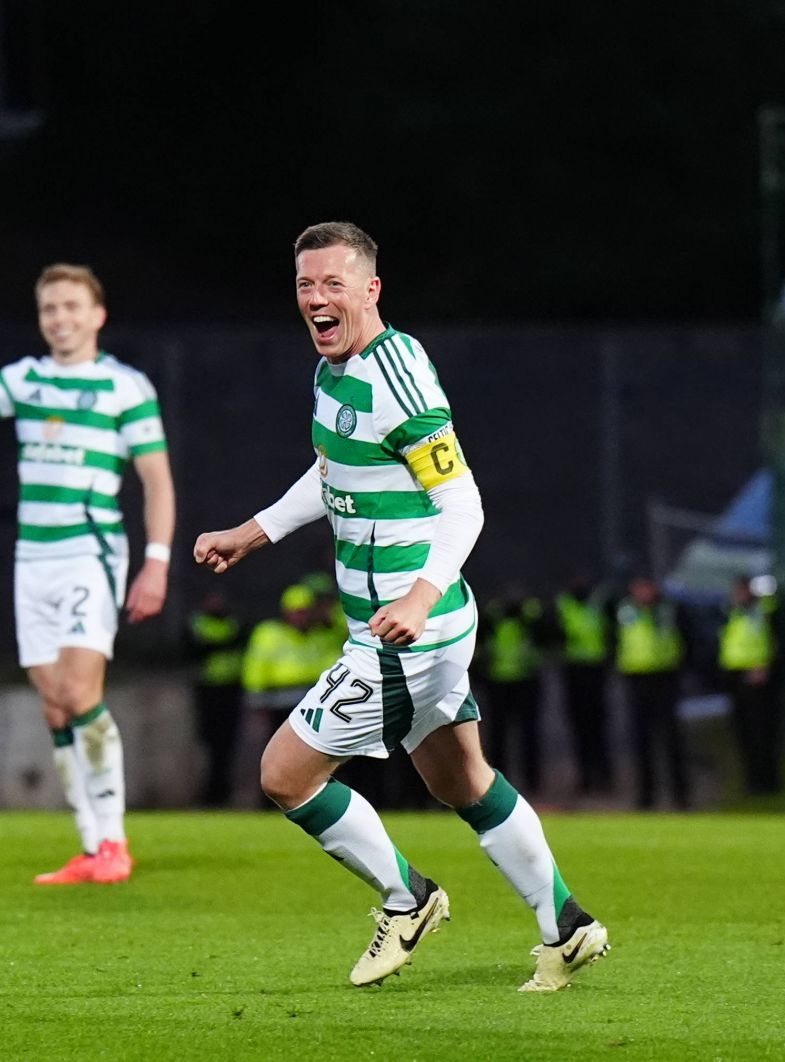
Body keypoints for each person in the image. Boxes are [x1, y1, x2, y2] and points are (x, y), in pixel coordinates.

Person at [193, 221, 608, 992]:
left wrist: (418, 595)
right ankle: (568, 925)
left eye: (333, 285)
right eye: (305, 286)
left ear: (371, 290)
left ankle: (407, 898)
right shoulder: (333, 372)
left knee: (286, 776)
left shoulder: (398, 377)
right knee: (464, 782)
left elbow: (464, 503)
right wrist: (256, 531)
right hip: (408, 622)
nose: (317, 300)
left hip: (409, 629)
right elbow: (333, 472)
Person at [0, 267, 175, 885]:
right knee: (55, 705)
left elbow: (156, 480)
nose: (60, 317)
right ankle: (89, 843)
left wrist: (155, 562)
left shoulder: (124, 387)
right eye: (49, 307)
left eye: (72, 306)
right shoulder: (27, 380)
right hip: (34, 559)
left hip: (90, 552)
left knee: (80, 693)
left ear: (97, 314)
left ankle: (114, 842)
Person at [235, 584, 331, 807]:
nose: (300, 617)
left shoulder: (321, 634)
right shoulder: (270, 633)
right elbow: (255, 666)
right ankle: (267, 804)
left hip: (313, 703)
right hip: (276, 703)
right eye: (296, 611)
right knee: (274, 757)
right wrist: (256, 701)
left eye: (304, 611)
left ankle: (310, 800)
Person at [615, 575, 689, 809]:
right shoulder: (624, 611)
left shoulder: (668, 610)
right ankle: (646, 796)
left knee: (671, 739)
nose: (643, 593)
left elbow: (687, 639)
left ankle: (680, 794)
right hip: (637, 679)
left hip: (665, 677)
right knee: (642, 741)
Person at [719, 576, 781, 795]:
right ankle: (751, 782)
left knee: (762, 731)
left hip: (759, 675)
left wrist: (765, 665)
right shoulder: (731, 613)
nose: (739, 596)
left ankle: (769, 783)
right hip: (735, 675)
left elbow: (773, 640)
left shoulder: (763, 611)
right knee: (743, 732)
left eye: (743, 591)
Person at [479, 589, 544, 791]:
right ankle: (499, 781)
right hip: (498, 683)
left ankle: (532, 783)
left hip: (525, 681)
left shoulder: (530, 618)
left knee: (527, 737)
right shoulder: (491, 619)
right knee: (498, 738)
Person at [554, 575, 614, 794]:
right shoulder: (563, 605)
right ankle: (587, 777)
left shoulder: (599, 603)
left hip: (596, 671)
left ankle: (603, 777)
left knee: (598, 728)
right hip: (574, 671)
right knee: (580, 728)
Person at [187, 589, 246, 807]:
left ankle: (221, 793)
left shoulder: (234, 624)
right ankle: (211, 793)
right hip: (208, 690)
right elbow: (193, 650)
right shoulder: (198, 623)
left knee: (227, 746)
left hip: (231, 689)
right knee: (210, 743)